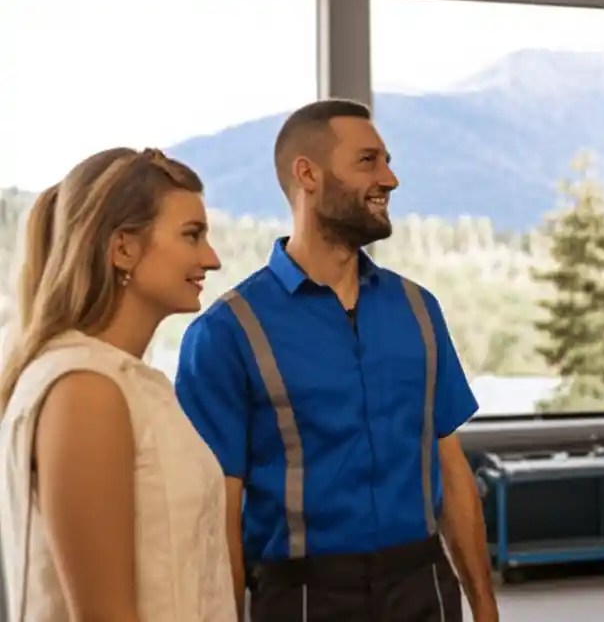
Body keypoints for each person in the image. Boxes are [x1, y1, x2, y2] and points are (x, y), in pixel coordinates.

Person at [174, 98, 498, 621]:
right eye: (368, 161)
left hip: (423, 587)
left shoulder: (418, 310)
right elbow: (218, 513)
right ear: (308, 174)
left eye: (387, 160)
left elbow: (452, 468)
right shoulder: (226, 332)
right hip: (303, 596)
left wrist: (484, 606)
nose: (390, 178)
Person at [0, 147, 233, 621]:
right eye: (192, 235)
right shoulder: (85, 388)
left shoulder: (122, 381)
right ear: (123, 247)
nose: (211, 259)